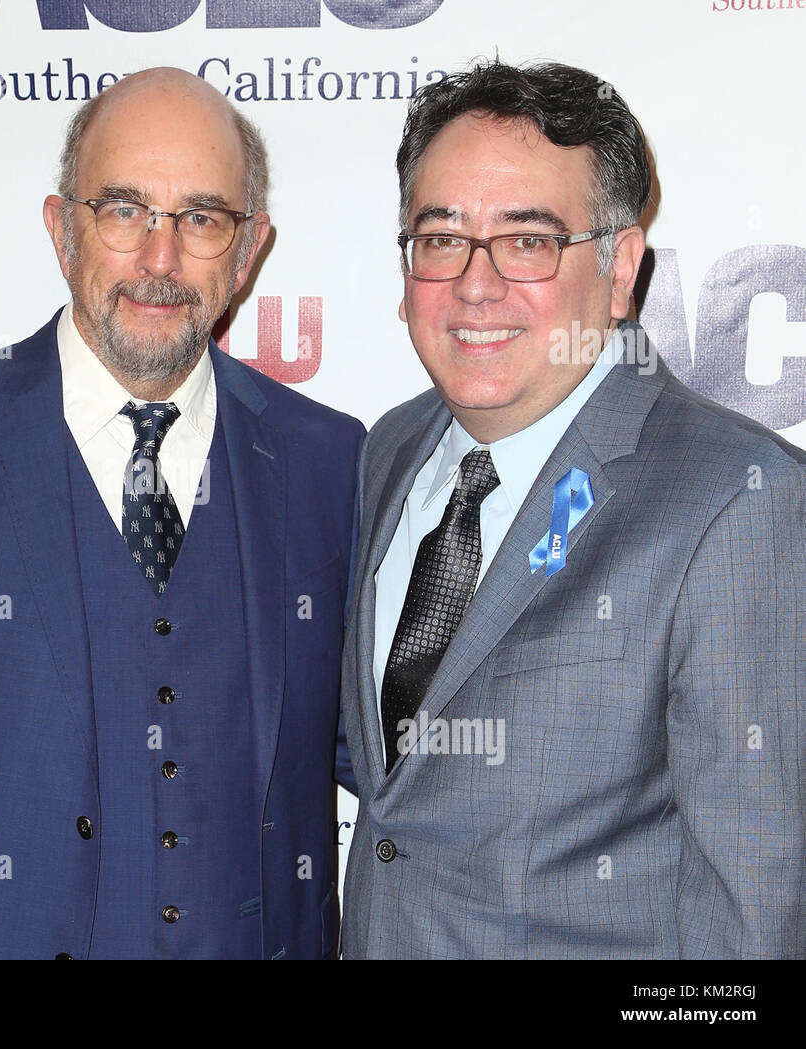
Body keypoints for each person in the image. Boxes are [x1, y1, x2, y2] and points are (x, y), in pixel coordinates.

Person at [0, 67, 365, 959]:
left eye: (202, 218)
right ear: (63, 230)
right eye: (124, 210)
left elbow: (368, 744)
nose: (160, 259)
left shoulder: (329, 459)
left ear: (249, 252)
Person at [340, 59, 806, 958]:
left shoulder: (741, 503)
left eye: (528, 240)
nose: (475, 284)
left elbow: (761, 922)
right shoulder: (387, 451)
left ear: (621, 266)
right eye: (441, 237)